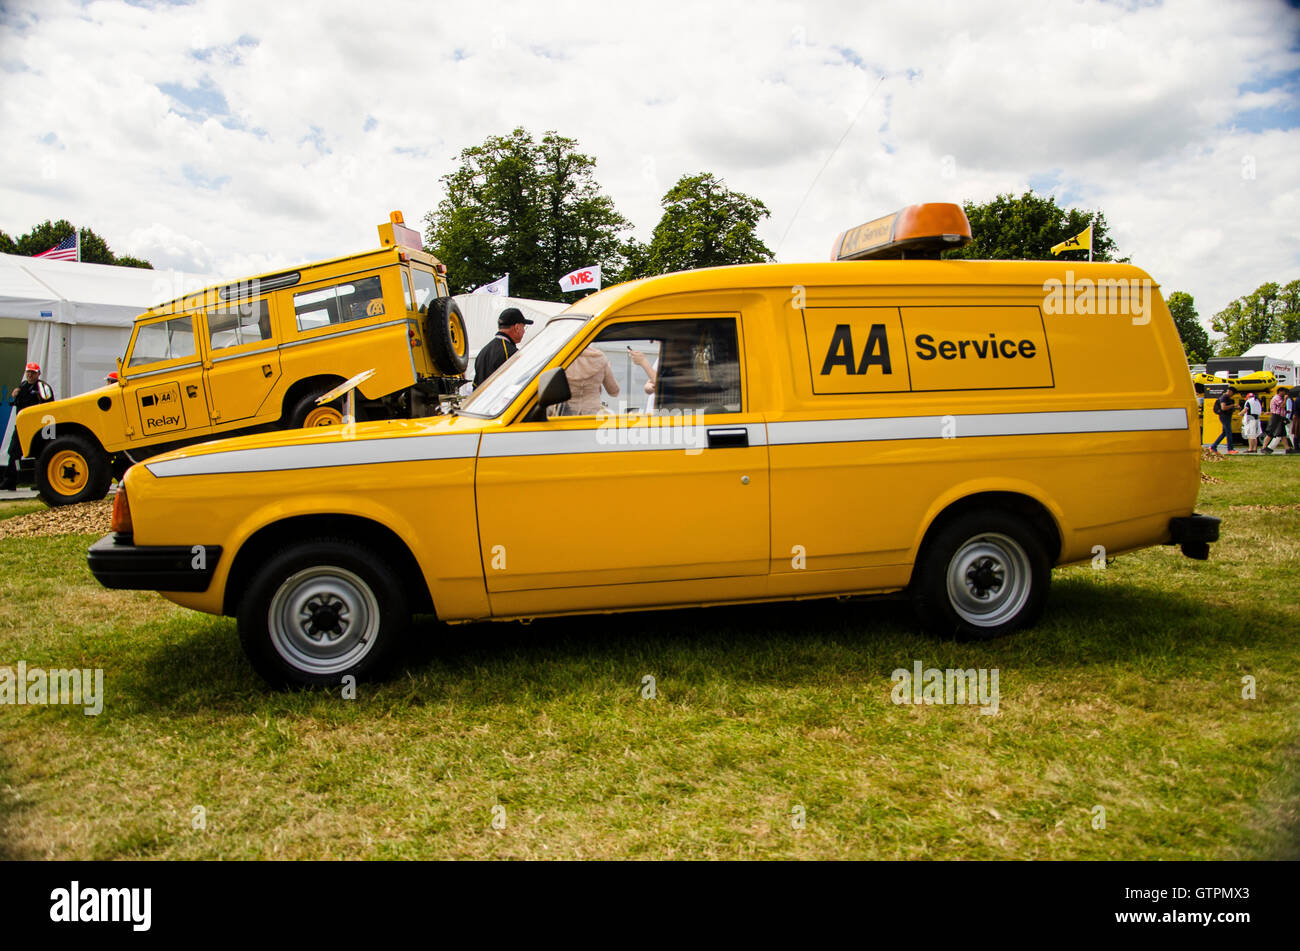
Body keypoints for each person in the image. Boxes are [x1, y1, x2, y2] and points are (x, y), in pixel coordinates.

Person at [2, 362, 54, 490]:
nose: (30, 375)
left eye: (33, 372)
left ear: (38, 374)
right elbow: (13, 403)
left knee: (40, 453)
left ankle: (42, 482)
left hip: (39, 426)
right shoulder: (23, 386)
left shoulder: (43, 387)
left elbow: (50, 405)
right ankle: (10, 480)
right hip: (22, 425)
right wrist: (14, 395)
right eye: (28, 372)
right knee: (13, 452)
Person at [472, 307, 533, 389]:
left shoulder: (483, 351)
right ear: (517, 327)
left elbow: (476, 385)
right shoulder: (511, 353)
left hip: (482, 400)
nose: (524, 331)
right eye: (524, 327)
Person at [560, 346, 619, 416]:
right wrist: (606, 369)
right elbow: (614, 391)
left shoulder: (561, 358)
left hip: (566, 414)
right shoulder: (600, 357)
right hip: (592, 414)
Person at [1261, 387, 1293, 454]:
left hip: (1280, 417)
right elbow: (1282, 405)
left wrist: (1286, 412)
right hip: (1276, 417)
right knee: (1271, 433)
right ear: (1280, 392)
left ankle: (1287, 448)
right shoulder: (1277, 398)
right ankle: (1264, 447)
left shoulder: (1280, 398)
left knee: (1282, 434)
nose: (1285, 394)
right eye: (1284, 392)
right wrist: (1285, 399)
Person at [1208, 387, 1237, 454]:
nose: (1232, 395)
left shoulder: (1227, 398)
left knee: (1224, 433)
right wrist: (1232, 405)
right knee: (1229, 432)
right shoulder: (1224, 397)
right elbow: (1223, 408)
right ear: (1230, 391)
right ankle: (1230, 449)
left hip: (1227, 416)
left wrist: (1234, 407)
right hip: (1224, 416)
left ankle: (1213, 446)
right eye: (1232, 393)